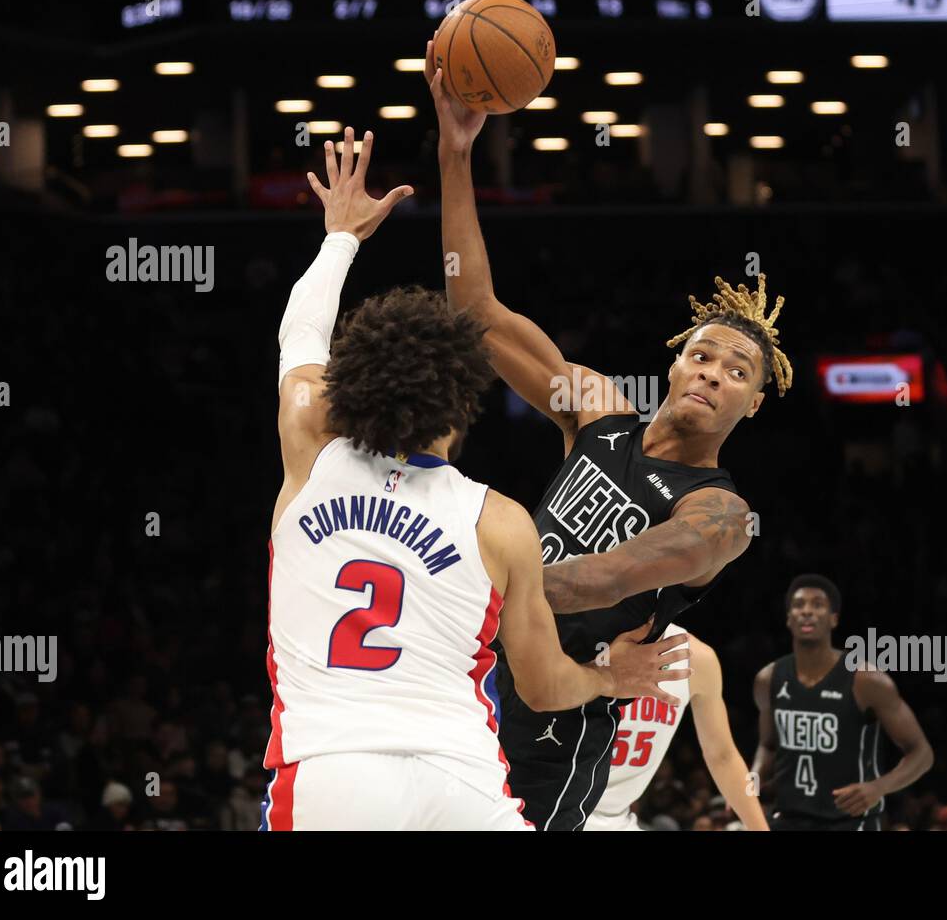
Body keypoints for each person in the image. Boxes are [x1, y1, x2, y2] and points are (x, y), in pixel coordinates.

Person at [262, 128, 688, 830]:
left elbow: (300, 334)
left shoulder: (311, 445)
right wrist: (613, 679)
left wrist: (340, 236)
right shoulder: (500, 521)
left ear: (354, 385)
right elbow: (547, 687)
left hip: (329, 771)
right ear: (462, 405)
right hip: (460, 783)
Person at [427, 33, 792, 830]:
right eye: (703, 355)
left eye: (738, 373)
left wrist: (466, 586)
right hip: (473, 671)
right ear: (675, 361)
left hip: (556, 719)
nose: (712, 374)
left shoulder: (718, 513)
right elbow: (475, 314)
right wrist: (456, 155)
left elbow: (610, 577)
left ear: (754, 404)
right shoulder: (595, 410)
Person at [751, 574, 934, 830]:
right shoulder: (768, 679)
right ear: (789, 618)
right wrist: (752, 783)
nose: (807, 611)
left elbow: (922, 753)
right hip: (788, 819)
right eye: (799, 605)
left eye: (817, 604)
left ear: (834, 618)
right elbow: (767, 746)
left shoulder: (866, 680)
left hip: (851, 822)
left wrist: (878, 787)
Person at [585, 625, 769, 831]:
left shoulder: (697, 658)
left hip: (617, 820)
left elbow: (722, 756)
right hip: (554, 810)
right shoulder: (581, 635)